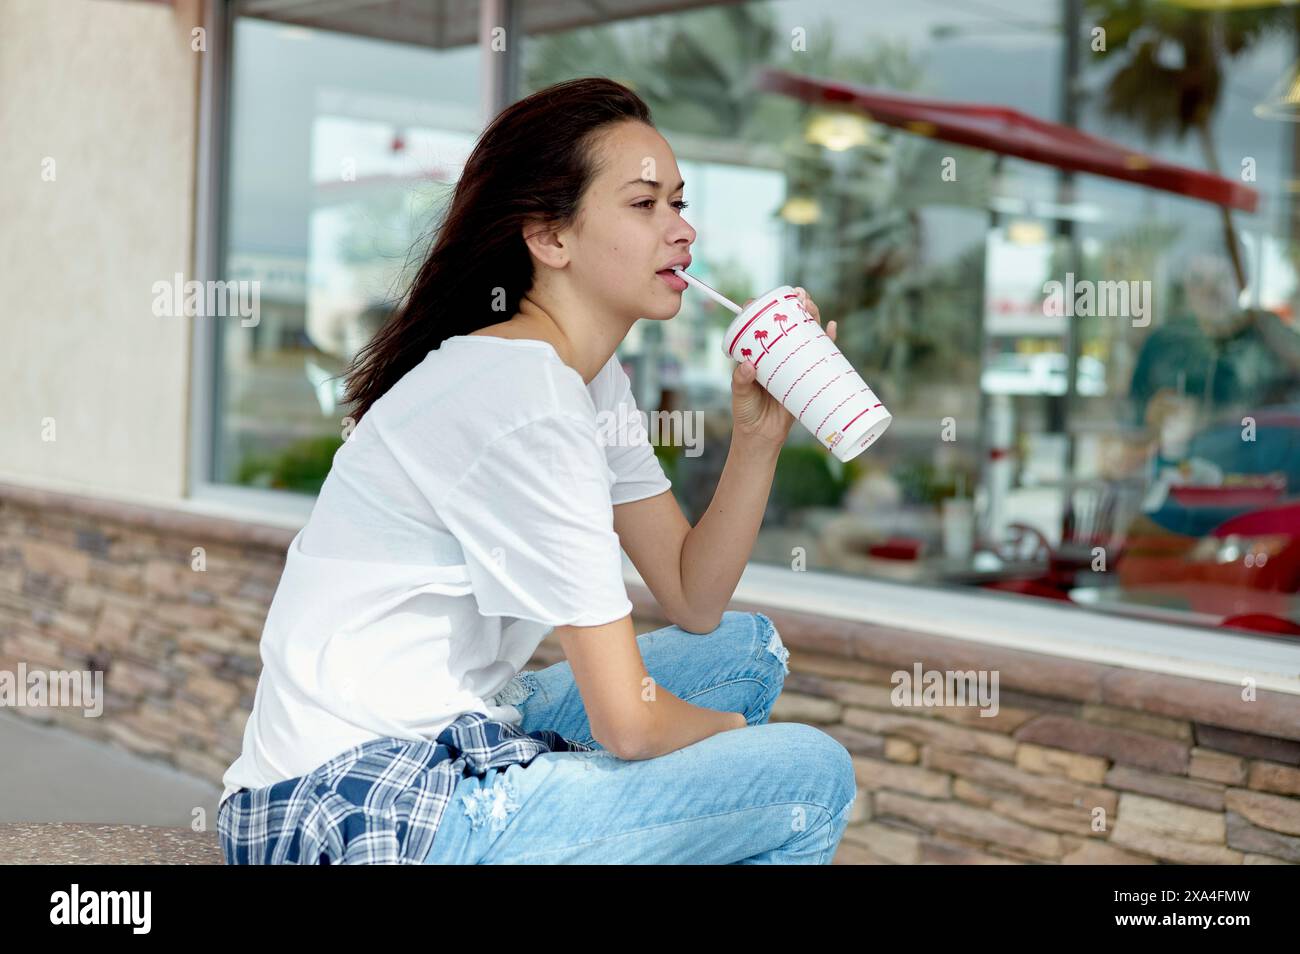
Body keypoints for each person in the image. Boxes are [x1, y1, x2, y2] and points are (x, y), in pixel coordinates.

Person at [217, 77, 856, 865]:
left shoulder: (585, 378)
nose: (681, 231)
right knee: (807, 776)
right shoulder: (526, 396)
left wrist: (758, 439)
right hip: (349, 803)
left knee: (743, 650)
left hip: (442, 732)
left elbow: (693, 598)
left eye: (681, 204)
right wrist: (726, 745)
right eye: (644, 204)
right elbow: (627, 721)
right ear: (550, 239)